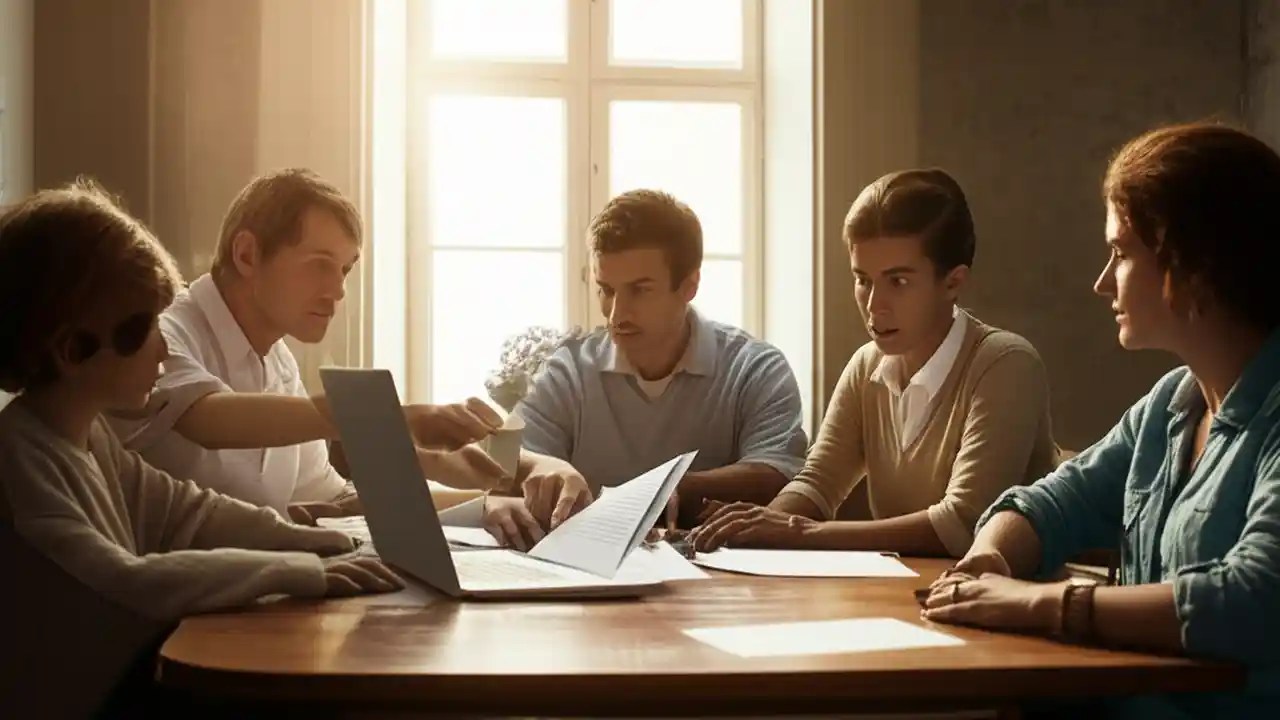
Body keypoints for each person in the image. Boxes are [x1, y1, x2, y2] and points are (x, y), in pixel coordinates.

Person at [922, 123, 1280, 719]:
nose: (1099, 281)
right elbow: (1048, 503)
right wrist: (990, 561)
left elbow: (1256, 600)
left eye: (1119, 252)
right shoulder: (1172, 404)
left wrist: (1044, 605)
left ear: (1190, 263)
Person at [0, 180, 402, 624]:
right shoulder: (19, 462)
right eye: (146, 326)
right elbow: (124, 580)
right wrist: (299, 570)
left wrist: (309, 541)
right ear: (73, 349)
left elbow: (187, 511)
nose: (163, 349)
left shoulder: (90, 439)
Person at [108, 169, 577, 536]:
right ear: (247, 255)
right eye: (319, 266)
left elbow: (340, 501)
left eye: (346, 271)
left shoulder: (278, 362)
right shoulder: (162, 331)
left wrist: (490, 508)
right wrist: (395, 417)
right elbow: (206, 419)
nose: (337, 291)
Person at [690, 169, 1057, 557]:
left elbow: (963, 524)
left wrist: (800, 533)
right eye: (863, 279)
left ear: (953, 282)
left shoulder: (1005, 364)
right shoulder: (867, 365)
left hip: (1000, 601)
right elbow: (817, 482)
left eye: (897, 281)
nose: (873, 305)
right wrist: (755, 531)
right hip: (903, 594)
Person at [489, 189, 808, 546]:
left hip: (719, 581)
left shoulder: (755, 368)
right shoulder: (568, 370)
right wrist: (543, 467)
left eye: (640, 290)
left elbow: (777, 473)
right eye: (606, 290)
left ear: (689, 286)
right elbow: (509, 460)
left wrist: (664, 489)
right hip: (585, 571)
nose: (616, 314)